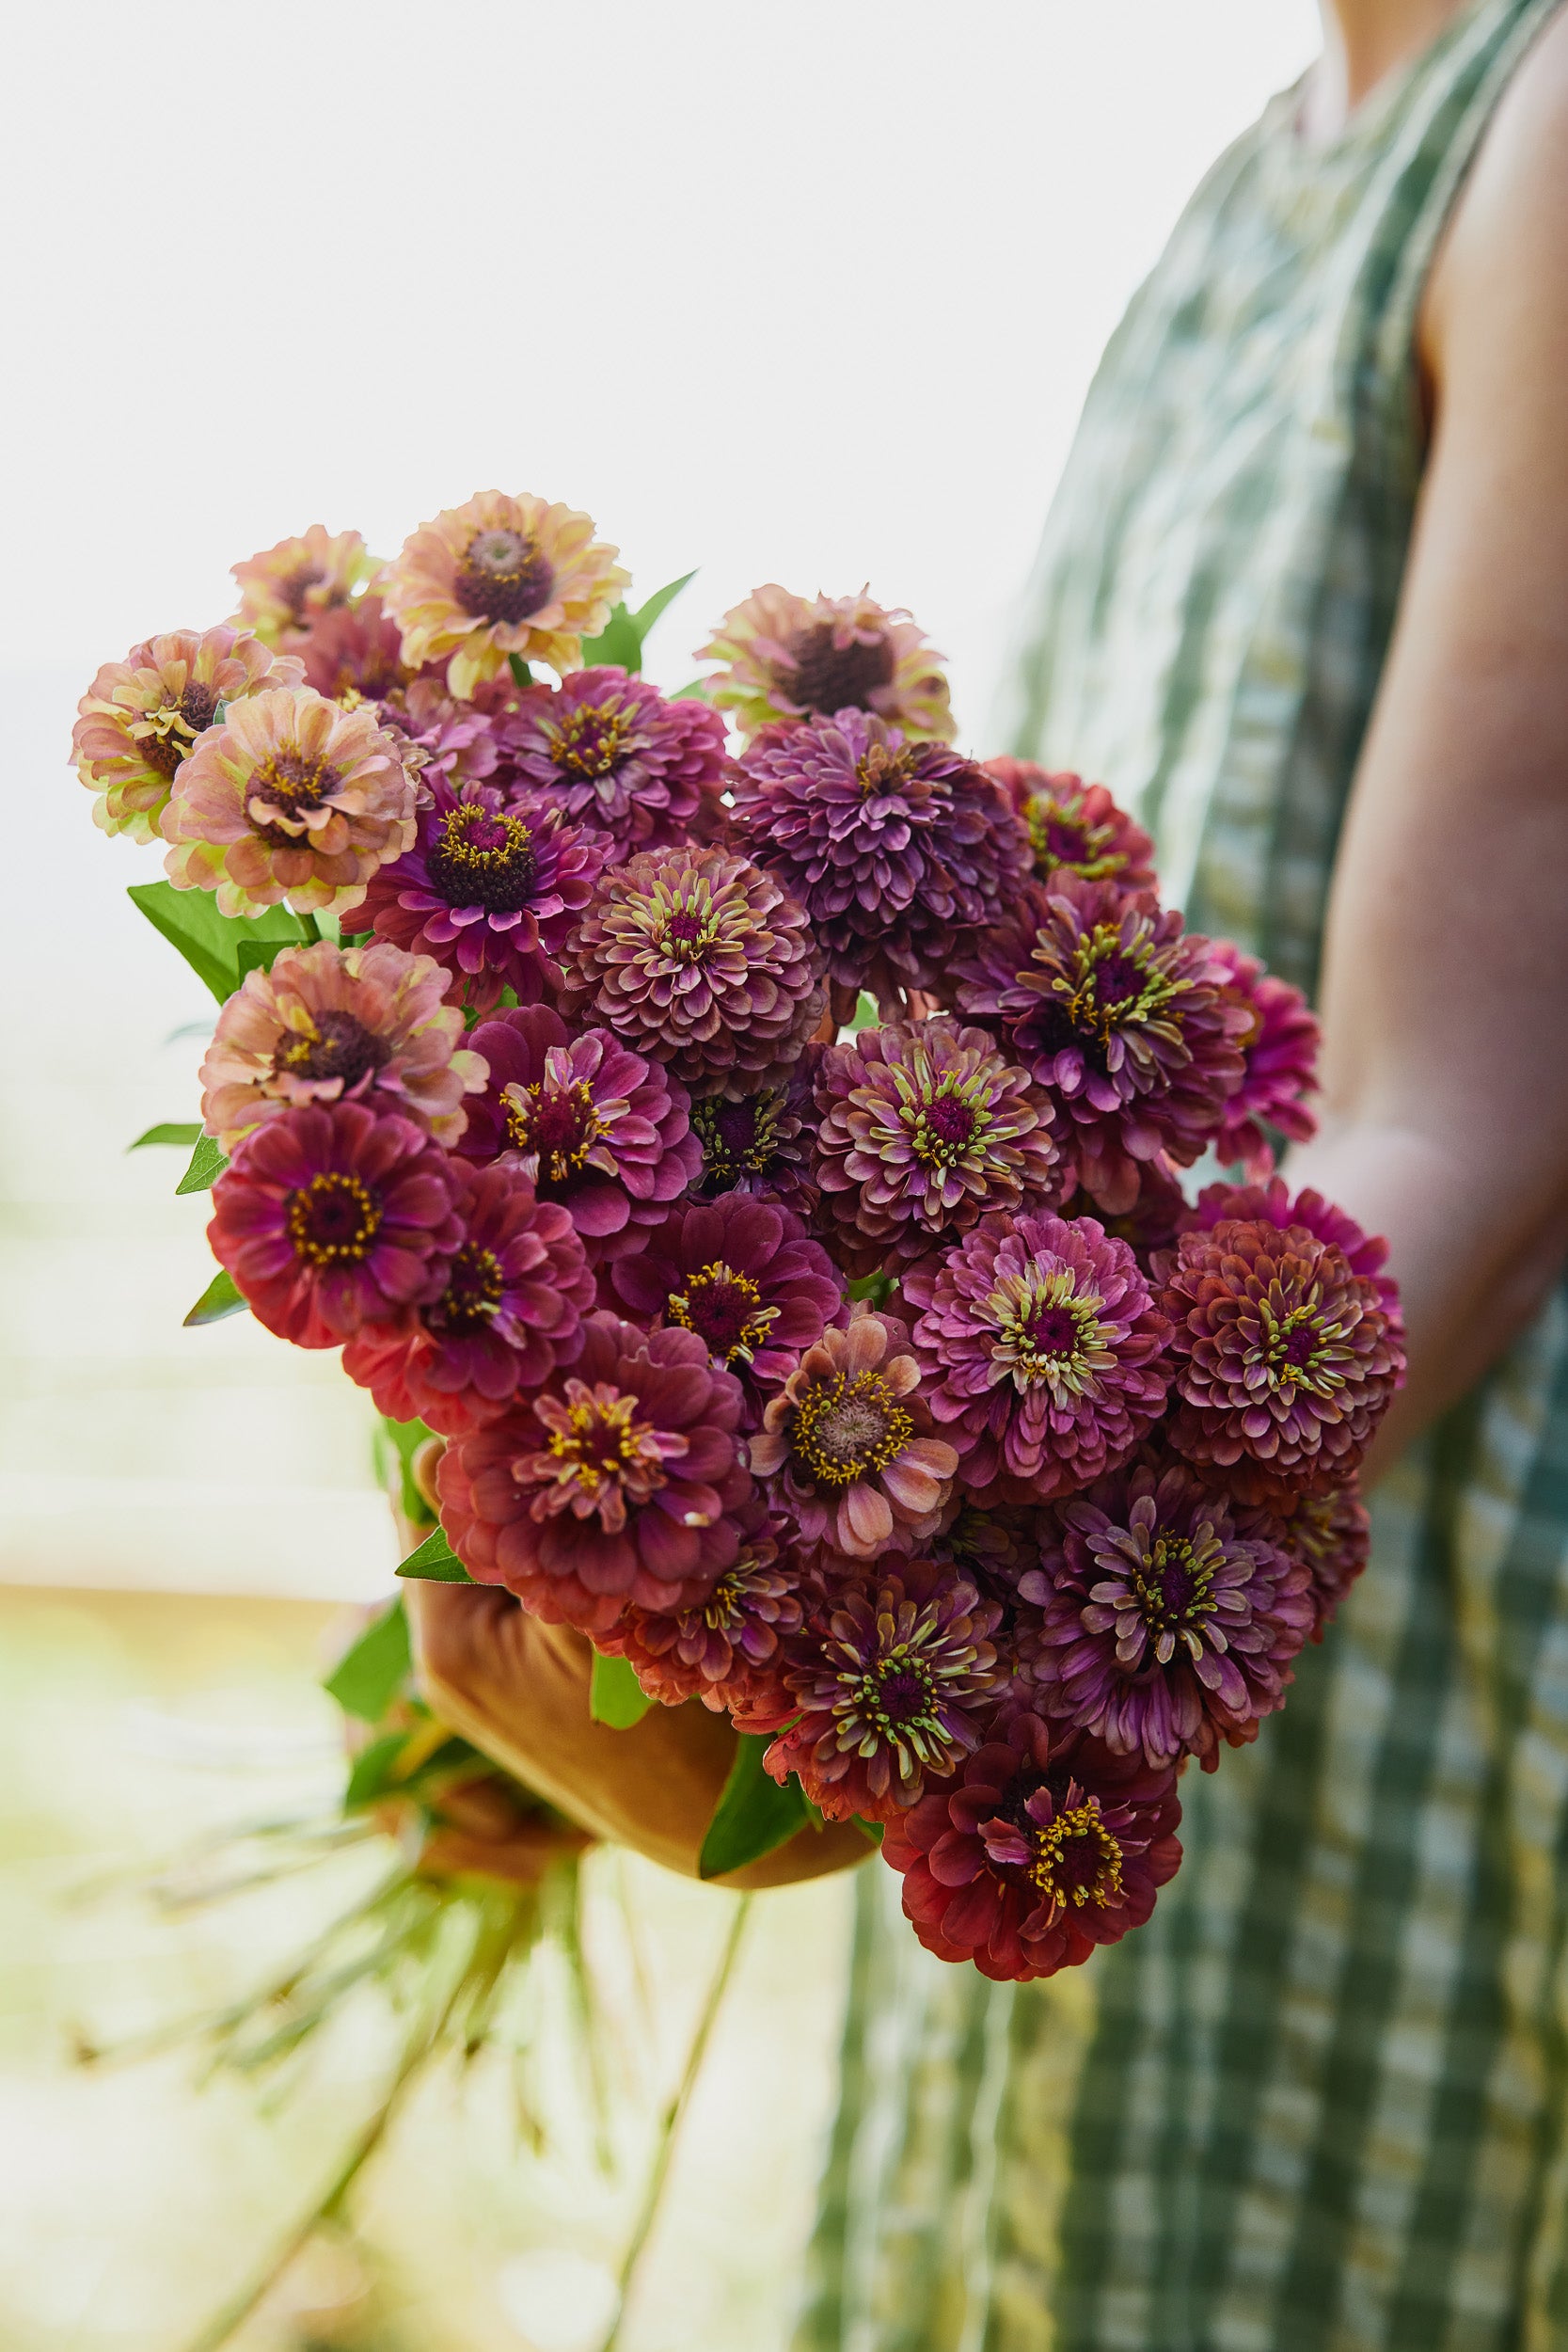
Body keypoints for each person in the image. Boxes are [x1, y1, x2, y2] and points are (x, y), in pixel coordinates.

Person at [410, 0, 1568, 2338]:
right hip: (1119, 1610)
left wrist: (884, 1718)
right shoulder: (1269, 176)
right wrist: (621, 1605)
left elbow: (1493, 1110)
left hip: (1355, 1633)